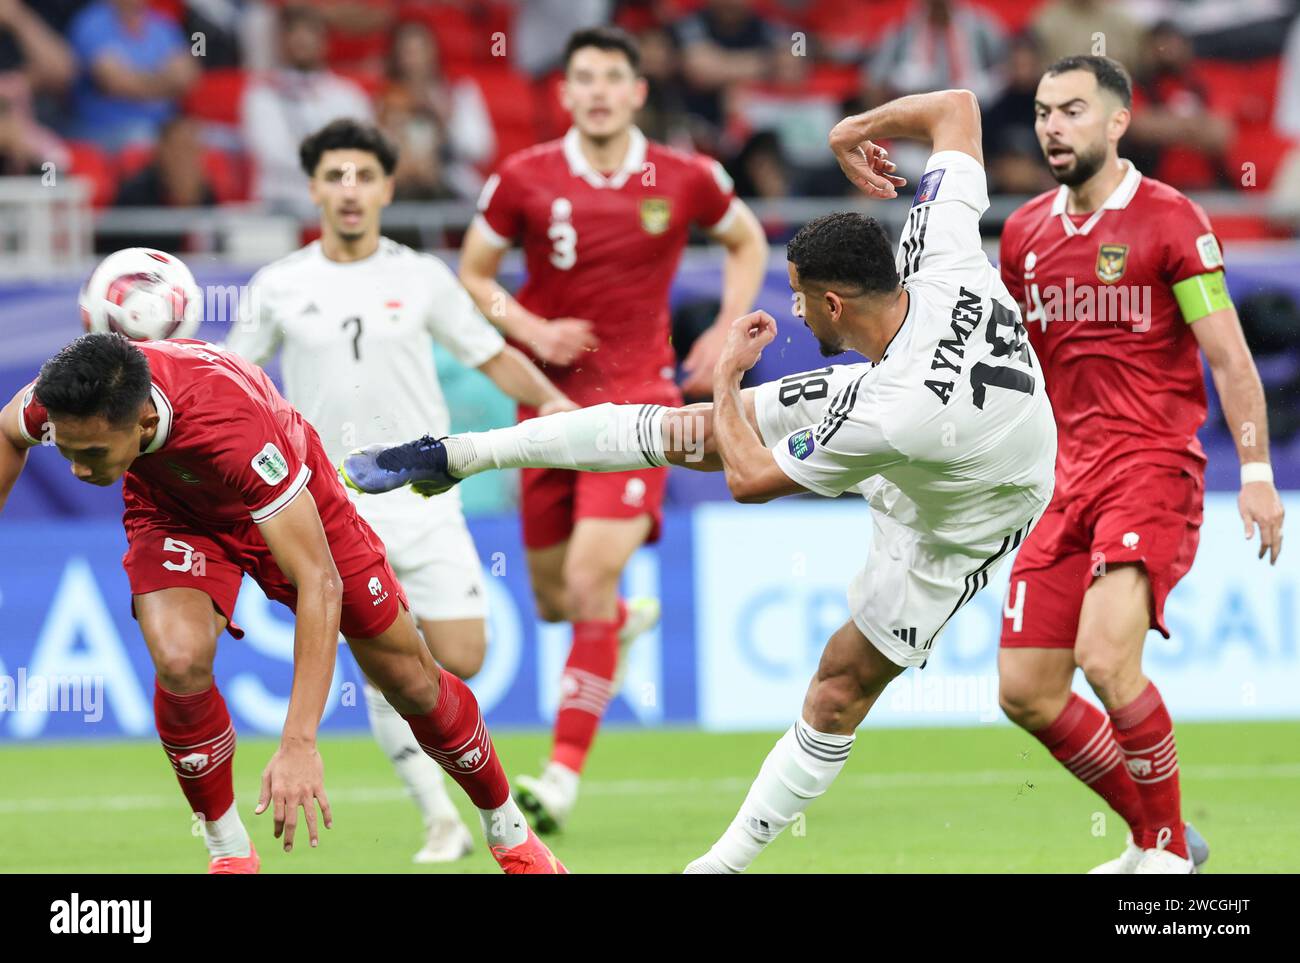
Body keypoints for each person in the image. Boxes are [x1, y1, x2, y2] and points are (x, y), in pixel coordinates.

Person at [344, 88, 1059, 874]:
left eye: (794, 294)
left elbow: (748, 480)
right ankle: (459, 453)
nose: (787, 307)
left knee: (838, 688)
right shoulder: (944, 251)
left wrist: (725, 372)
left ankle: (714, 868)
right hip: (938, 408)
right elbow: (957, 108)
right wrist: (853, 128)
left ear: (831, 301)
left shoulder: (893, 411)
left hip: (967, 516)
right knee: (677, 430)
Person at [0, 335, 566, 874]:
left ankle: (509, 831)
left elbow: (318, 580)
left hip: (301, 511)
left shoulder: (229, 426)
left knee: (410, 680)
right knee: (178, 659)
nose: (76, 469)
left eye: (92, 453)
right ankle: (229, 850)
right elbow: (8, 432)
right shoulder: (59, 403)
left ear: (145, 420)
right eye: (66, 451)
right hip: (176, 513)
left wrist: (299, 743)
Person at [225, 118, 574, 863]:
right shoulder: (278, 285)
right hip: (329, 507)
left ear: (386, 187)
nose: (349, 190)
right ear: (314, 188)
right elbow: (231, 384)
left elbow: (491, 355)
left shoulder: (421, 275)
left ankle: (444, 795)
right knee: (388, 653)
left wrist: (560, 412)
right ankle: (440, 816)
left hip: (423, 498)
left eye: (363, 175)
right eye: (334, 176)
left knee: (460, 654)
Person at [455, 25, 769, 833]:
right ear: (563, 93)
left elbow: (747, 238)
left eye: (612, 77)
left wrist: (726, 324)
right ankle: (618, 627)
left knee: (591, 581)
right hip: (549, 408)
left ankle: (558, 779)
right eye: (583, 76)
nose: (596, 90)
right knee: (561, 600)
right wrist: (529, 325)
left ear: (637, 91)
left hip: (641, 405)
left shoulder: (684, 175)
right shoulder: (522, 177)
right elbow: (474, 274)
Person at [997, 55, 1283, 873]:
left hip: (1151, 467)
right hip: (1067, 480)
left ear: (1118, 122)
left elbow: (1228, 359)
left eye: (1074, 110)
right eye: (1046, 111)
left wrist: (1257, 475)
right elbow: (1029, 372)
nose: (1053, 125)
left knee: (1106, 655)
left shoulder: (1171, 220)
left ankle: (1162, 855)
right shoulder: (1022, 235)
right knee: (1025, 689)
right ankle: (1156, 834)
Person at [241, 4, 373, 217]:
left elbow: (360, 151)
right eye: (294, 32)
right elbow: (272, 154)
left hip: (338, 204)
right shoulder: (261, 96)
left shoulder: (349, 96)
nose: (302, 40)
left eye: (310, 32)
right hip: (278, 203)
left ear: (325, 42)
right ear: (282, 41)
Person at [65, 0, 197, 150]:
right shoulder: (91, 22)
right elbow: (115, 82)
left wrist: (137, 79)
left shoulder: (163, 24)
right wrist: (165, 80)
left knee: (197, 138)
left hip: (162, 126)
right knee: (143, 138)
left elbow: (188, 77)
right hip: (103, 130)